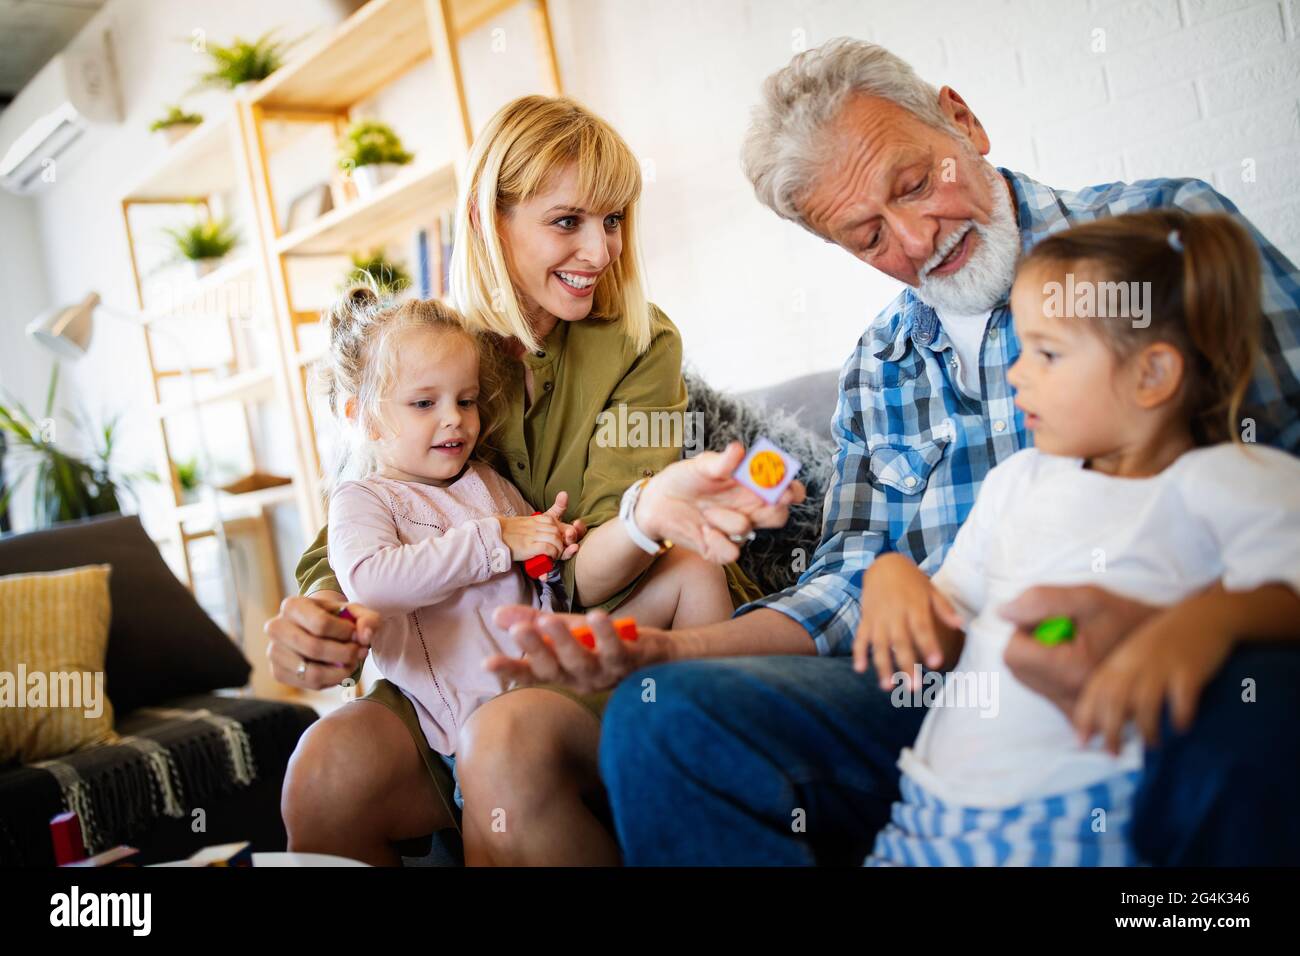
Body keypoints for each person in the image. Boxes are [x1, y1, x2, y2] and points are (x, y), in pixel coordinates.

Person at [272, 95, 803, 866]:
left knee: (502, 745)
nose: (602, 250)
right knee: (320, 775)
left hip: (598, 629)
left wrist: (647, 510)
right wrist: (324, 619)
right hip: (451, 661)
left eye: (614, 220)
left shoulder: (637, 342)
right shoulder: (429, 351)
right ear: (491, 219)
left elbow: (589, 574)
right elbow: (356, 525)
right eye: (567, 221)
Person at [860, 209, 1300, 865]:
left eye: (1048, 353)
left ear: (1152, 374)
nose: (1017, 374)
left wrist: (1208, 622)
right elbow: (947, 629)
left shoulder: (1229, 477)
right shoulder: (1017, 481)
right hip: (927, 810)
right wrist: (891, 578)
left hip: (1071, 815)